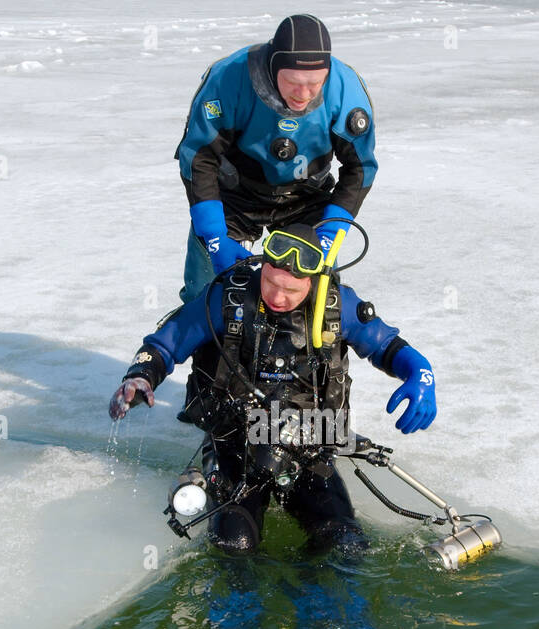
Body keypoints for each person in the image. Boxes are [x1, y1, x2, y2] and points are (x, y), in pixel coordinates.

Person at [109, 223, 434, 555]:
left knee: (346, 545)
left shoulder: (340, 307)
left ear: (314, 281)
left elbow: (389, 347)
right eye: (270, 282)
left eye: (291, 291)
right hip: (234, 446)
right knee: (235, 545)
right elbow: (164, 344)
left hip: (309, 449)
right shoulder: (227, 298)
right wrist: (140, 376)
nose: (278, 297)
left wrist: (421, 372)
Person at [174, 13, 377, 304]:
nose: (304, 94)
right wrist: (215, 235)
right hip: (235, 195)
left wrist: (333, 226)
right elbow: (198, 157)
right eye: (293, 82)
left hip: (305, 196)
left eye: (315, 83)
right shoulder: (229, 79)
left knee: (315, 293)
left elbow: (361, 166)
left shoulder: (345, 90)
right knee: (207, 293)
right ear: (274, 66)